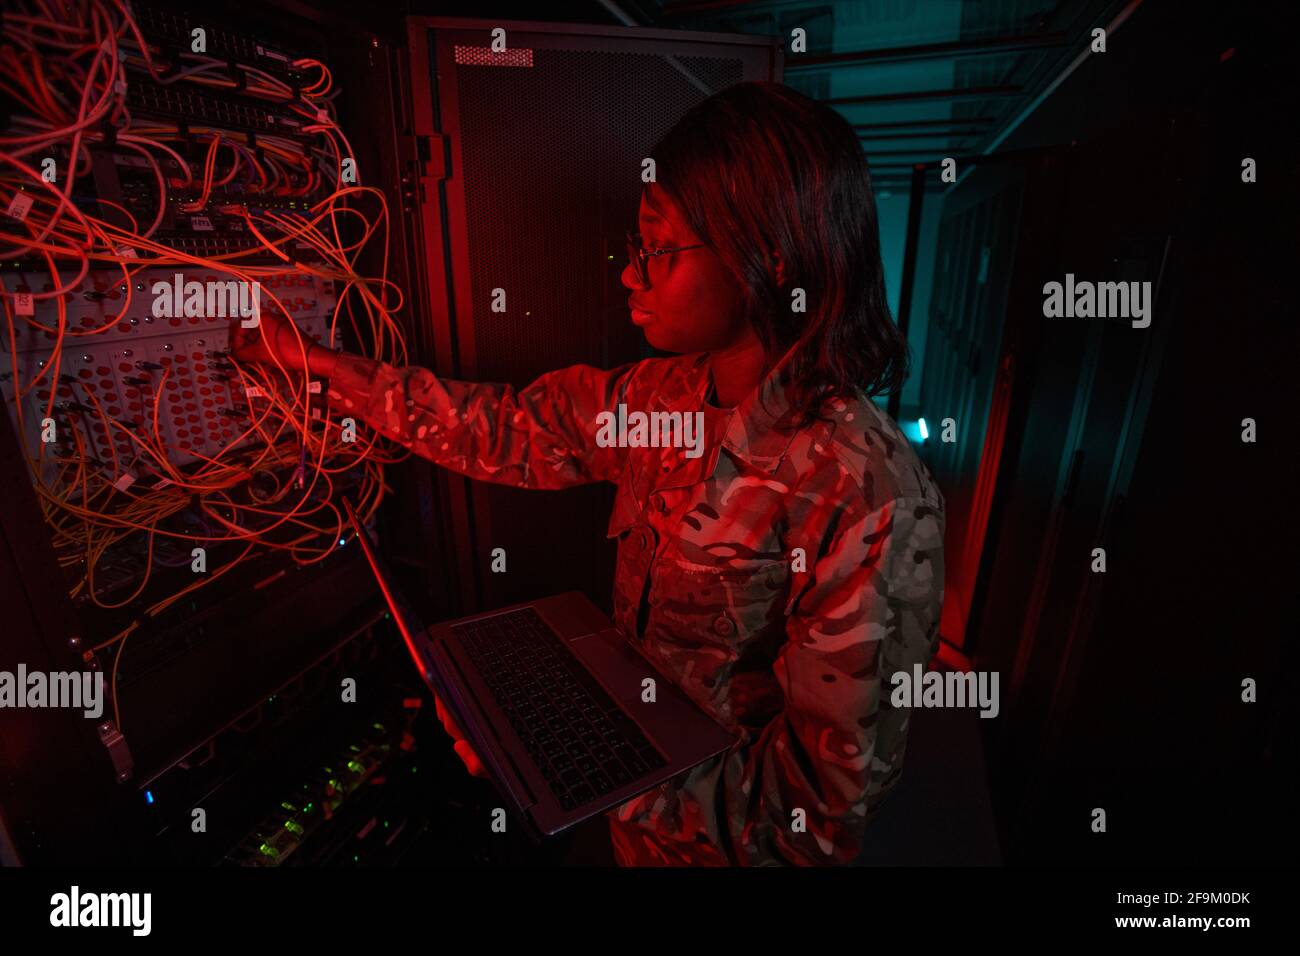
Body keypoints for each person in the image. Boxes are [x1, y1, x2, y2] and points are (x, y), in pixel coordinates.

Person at [230, 81, 945, 866]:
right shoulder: (663, 395)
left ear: (768, 257)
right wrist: (319, 366)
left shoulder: (866, 491)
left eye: (658, 250)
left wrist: (579, 772)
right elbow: (500, 426)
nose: (629, 276)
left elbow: (818, 811)